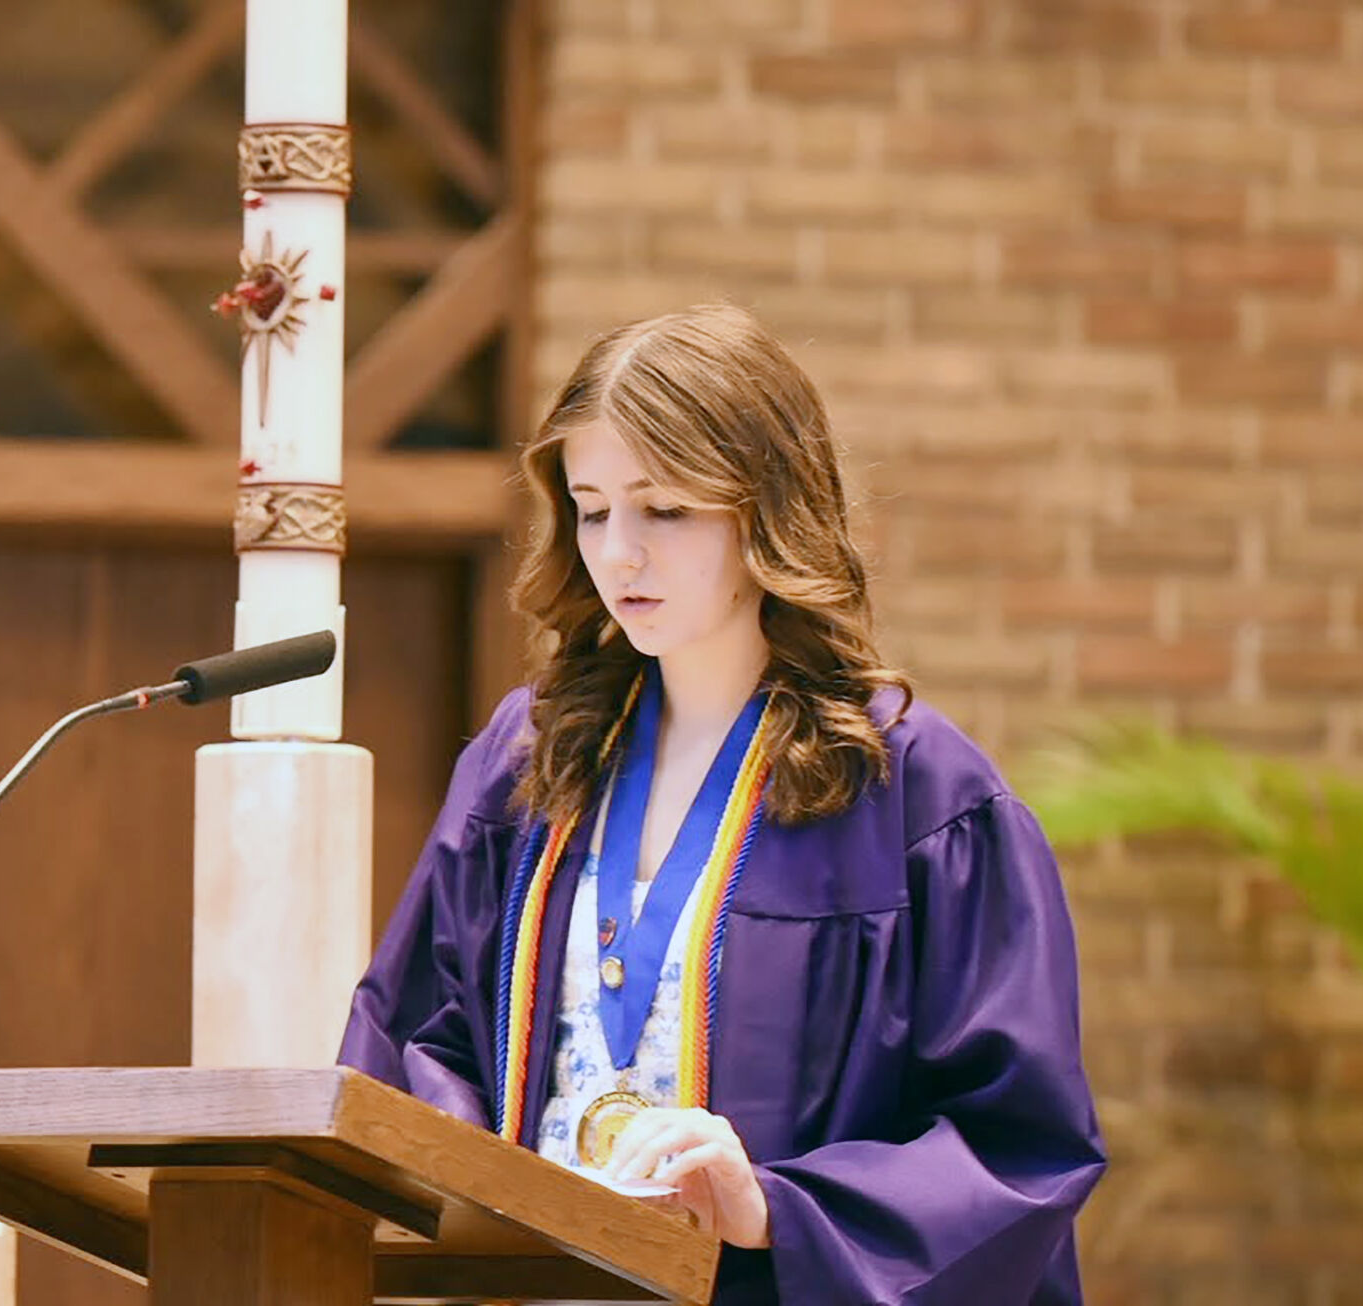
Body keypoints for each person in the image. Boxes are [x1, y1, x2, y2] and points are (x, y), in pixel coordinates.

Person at [338, 304, 1104, 1304]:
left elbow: (1016, 1146)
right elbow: (411, 1041)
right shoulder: (526, 764)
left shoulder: (916, 793)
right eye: (591, 506)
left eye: (663, 508)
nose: (617, 554)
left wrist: (775, 1209)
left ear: (767, 509)